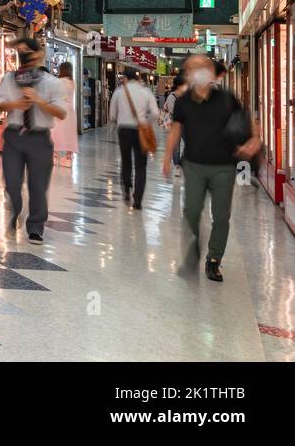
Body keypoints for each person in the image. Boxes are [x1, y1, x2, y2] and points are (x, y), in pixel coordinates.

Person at [164, 54, 260, 282]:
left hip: (223, 168)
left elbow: (247, 119)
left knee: (221, 216)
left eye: (204, 66)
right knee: (192, 211)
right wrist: (167, 156)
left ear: (211, 71)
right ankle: (193, 253)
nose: (200, 71)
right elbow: (176, 129)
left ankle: (214, 259)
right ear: (188, 74)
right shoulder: (184, 102)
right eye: (194, 68)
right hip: (194, 165)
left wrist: (254, 139)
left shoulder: (226, 98)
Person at [0, 37, 68, 244]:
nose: (23, 54)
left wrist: (39, 101)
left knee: (38, 186)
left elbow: (62, 113)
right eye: (19, 51)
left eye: (27, 50)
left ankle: (35, 226)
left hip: (39, 138)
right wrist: (13, 104)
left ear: (38, 55)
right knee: (11, 183)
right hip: (13, 136)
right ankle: (14, 211)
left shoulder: (52, 83)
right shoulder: (9, 79)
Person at [110, 69, 157, 209]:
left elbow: (112, 115)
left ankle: (126, 188)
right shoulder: (146, 92)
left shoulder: (119, 92)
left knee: (126, 161)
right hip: (141, 130)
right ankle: (138, 200)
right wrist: (146, 122)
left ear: (125, 78)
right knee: (141, 165)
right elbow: (155, 112)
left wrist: (120, 118)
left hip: (124, 130)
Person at [52, 62, 79, 167]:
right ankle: (68, 158)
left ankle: (55, 156)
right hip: (71, 111)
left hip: (59, 110)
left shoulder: (58, 82)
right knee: (69, 134)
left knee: (56, 133)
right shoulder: (72, 82)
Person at [162, 71, 187, 177]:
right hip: (175, 124)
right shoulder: (172, 97)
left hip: (186, 124)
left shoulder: (187, 96)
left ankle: (182, 162)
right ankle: (177, 166)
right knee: (176, 146)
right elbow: (172, 110)